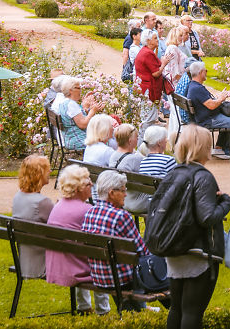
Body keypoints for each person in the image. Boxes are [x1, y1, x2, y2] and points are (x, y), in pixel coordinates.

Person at [166, 125, 230, 329]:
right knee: (192, 311)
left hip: (174, 247)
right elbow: (207, 218)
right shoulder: (203, 176)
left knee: (176, 308)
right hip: (196, 251)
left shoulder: (174, 172)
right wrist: (226, 203)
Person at [83, 170, 168, 306]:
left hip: (100, 276)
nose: (126, 194)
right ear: (111, 193)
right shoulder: (121, 216)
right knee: (161, 266)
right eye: (122, 190)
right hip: (122, 279)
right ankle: (177, 311)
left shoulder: (90, 212)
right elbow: (142, 251)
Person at [46, 164, 108, 314]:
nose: (92, 185)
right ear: (78, 188)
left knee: (86, 254)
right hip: (76, 268)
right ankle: (103, 310)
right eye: (88, 183)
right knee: (102, 261)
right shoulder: (87, 210)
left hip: (58, 265)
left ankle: (84, 307)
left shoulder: (58, 206)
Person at [12, 154, 54, 279]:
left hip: (24, 260)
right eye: (47, 169)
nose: (50, 172)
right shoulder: (42, 202)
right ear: (39, 174)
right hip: (43, 263)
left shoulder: (17, 197)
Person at [124, 126, 170, 214]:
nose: (166, 141)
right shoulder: (168, 160)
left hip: (149, 202)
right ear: (159, 143)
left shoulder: (143, 161)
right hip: (163, 204)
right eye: (165, 139)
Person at [51, 77, 104, 151]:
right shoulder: (71, 104)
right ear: (70, 90)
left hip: (70, 139)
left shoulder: (64, 102)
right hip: (77, 140)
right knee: (106, 140)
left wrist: (85, 108)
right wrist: (92, 111)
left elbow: (76, 118)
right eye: (78, 88)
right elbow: (83, 124)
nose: (80, 90)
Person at [133, 35, 167, 132]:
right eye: (155, 38)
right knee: (148, 120)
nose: (158, 40)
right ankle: (144, 142)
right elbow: (156, 73)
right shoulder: (147, 53)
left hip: (145, 88)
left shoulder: (145, 51)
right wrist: (164, 63)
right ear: (148, 41)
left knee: (148, 118)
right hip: (149, 89)